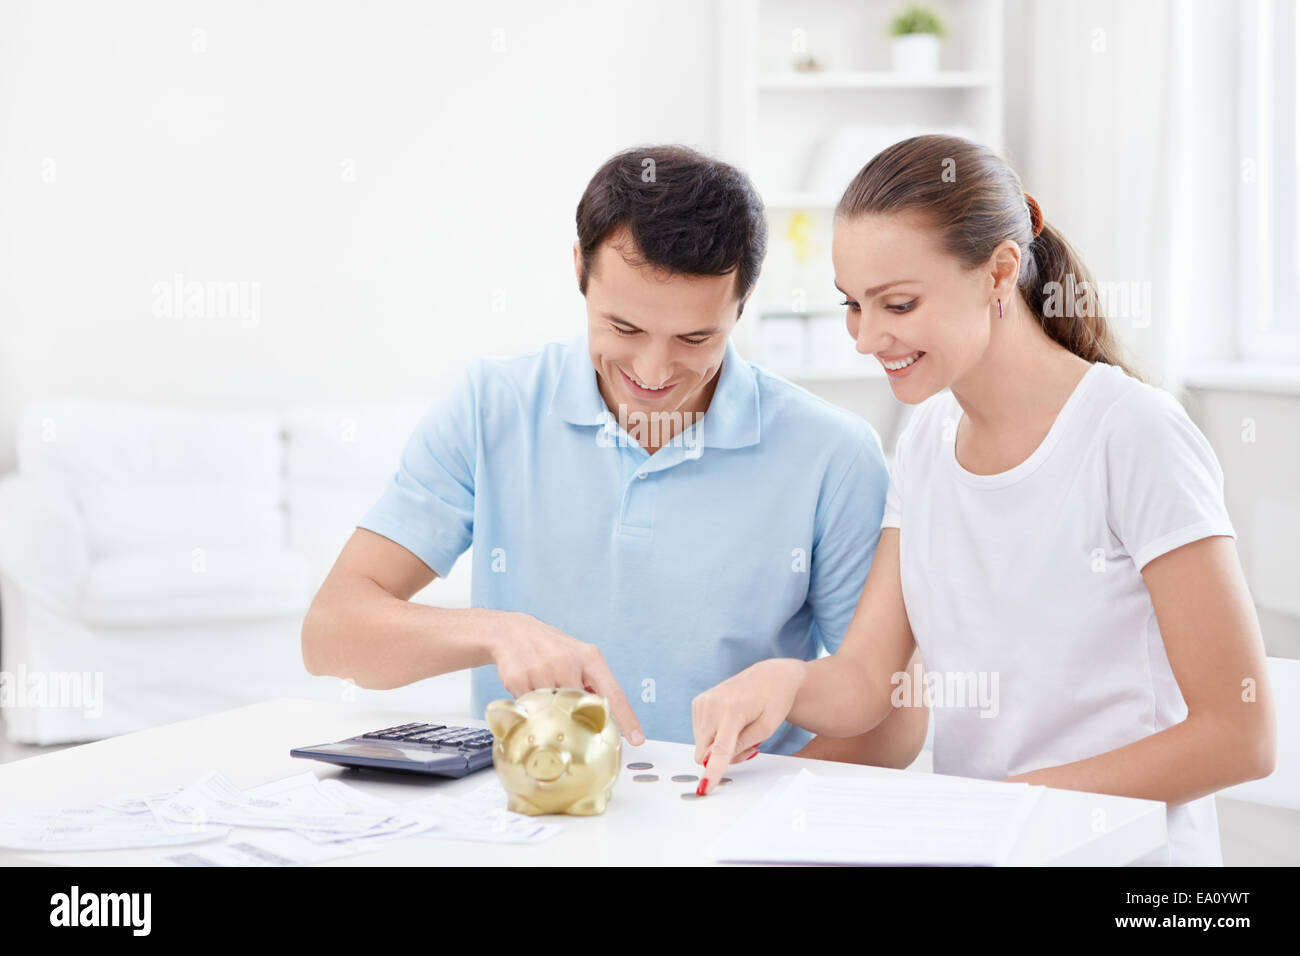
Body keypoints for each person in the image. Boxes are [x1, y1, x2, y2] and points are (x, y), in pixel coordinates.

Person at [689, 134, 1276, 866]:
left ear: (1000, 271)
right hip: (988, 846)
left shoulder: (1133, 435)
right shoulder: (928, 437)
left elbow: (1240, 734)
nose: (868, 337)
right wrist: (781, 682)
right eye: (852, 305)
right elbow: (869, 682)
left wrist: (1005, 809)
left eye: (898, 303)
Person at [301, 143, 929, 768]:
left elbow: (891, 720)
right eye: (624, 328)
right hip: (534, 816)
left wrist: (733, 810)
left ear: (744, 300)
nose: (654, 372)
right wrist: (498, 631)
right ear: (580, 269)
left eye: (694, 337)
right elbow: (332, 634)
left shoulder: (833, 454)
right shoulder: (491, 408)